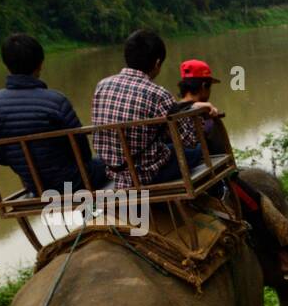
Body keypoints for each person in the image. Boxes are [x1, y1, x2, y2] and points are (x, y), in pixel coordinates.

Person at [170, 58, 288, 279]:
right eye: (209, 86)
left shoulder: (172, 111)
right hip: (211, 182)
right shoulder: (206, 118)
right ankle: (285, 260)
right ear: (203, 86)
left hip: (176, 178)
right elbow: (223, 157)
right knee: (255, 203)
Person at [0, 33, 108, 195]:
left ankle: (91, 216)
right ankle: (97, 216)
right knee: (113, 163)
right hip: (73, 184)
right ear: (40, 64)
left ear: (6, 65)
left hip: (36, 187)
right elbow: (82, 151)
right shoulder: (55, 101)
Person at [91, 29, 213, 188]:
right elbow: (188, 141)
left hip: (115, 171)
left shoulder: (102, 85)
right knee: (196, 150)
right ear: (157, 63)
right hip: (145, 174)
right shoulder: (159, 94)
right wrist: (198, 117)